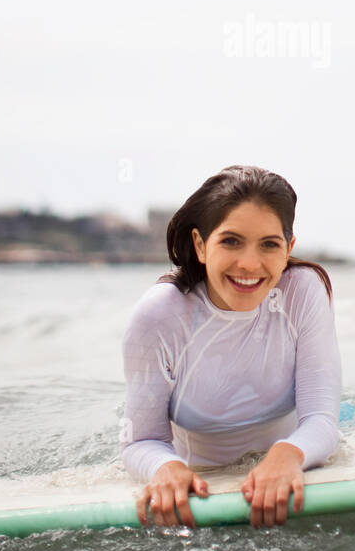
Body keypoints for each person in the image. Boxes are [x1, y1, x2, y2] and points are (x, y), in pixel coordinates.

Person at [120, 164, 342, 528]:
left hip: (292, 463)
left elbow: (321, 419)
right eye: (231, 241)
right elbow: (139, 440)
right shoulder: (159, 314)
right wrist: (166, 468)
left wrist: (287, 455)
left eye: (269, 245)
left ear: (288, 249)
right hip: (203, 478)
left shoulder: (302, 291)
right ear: (200, 245)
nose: (249, 264)